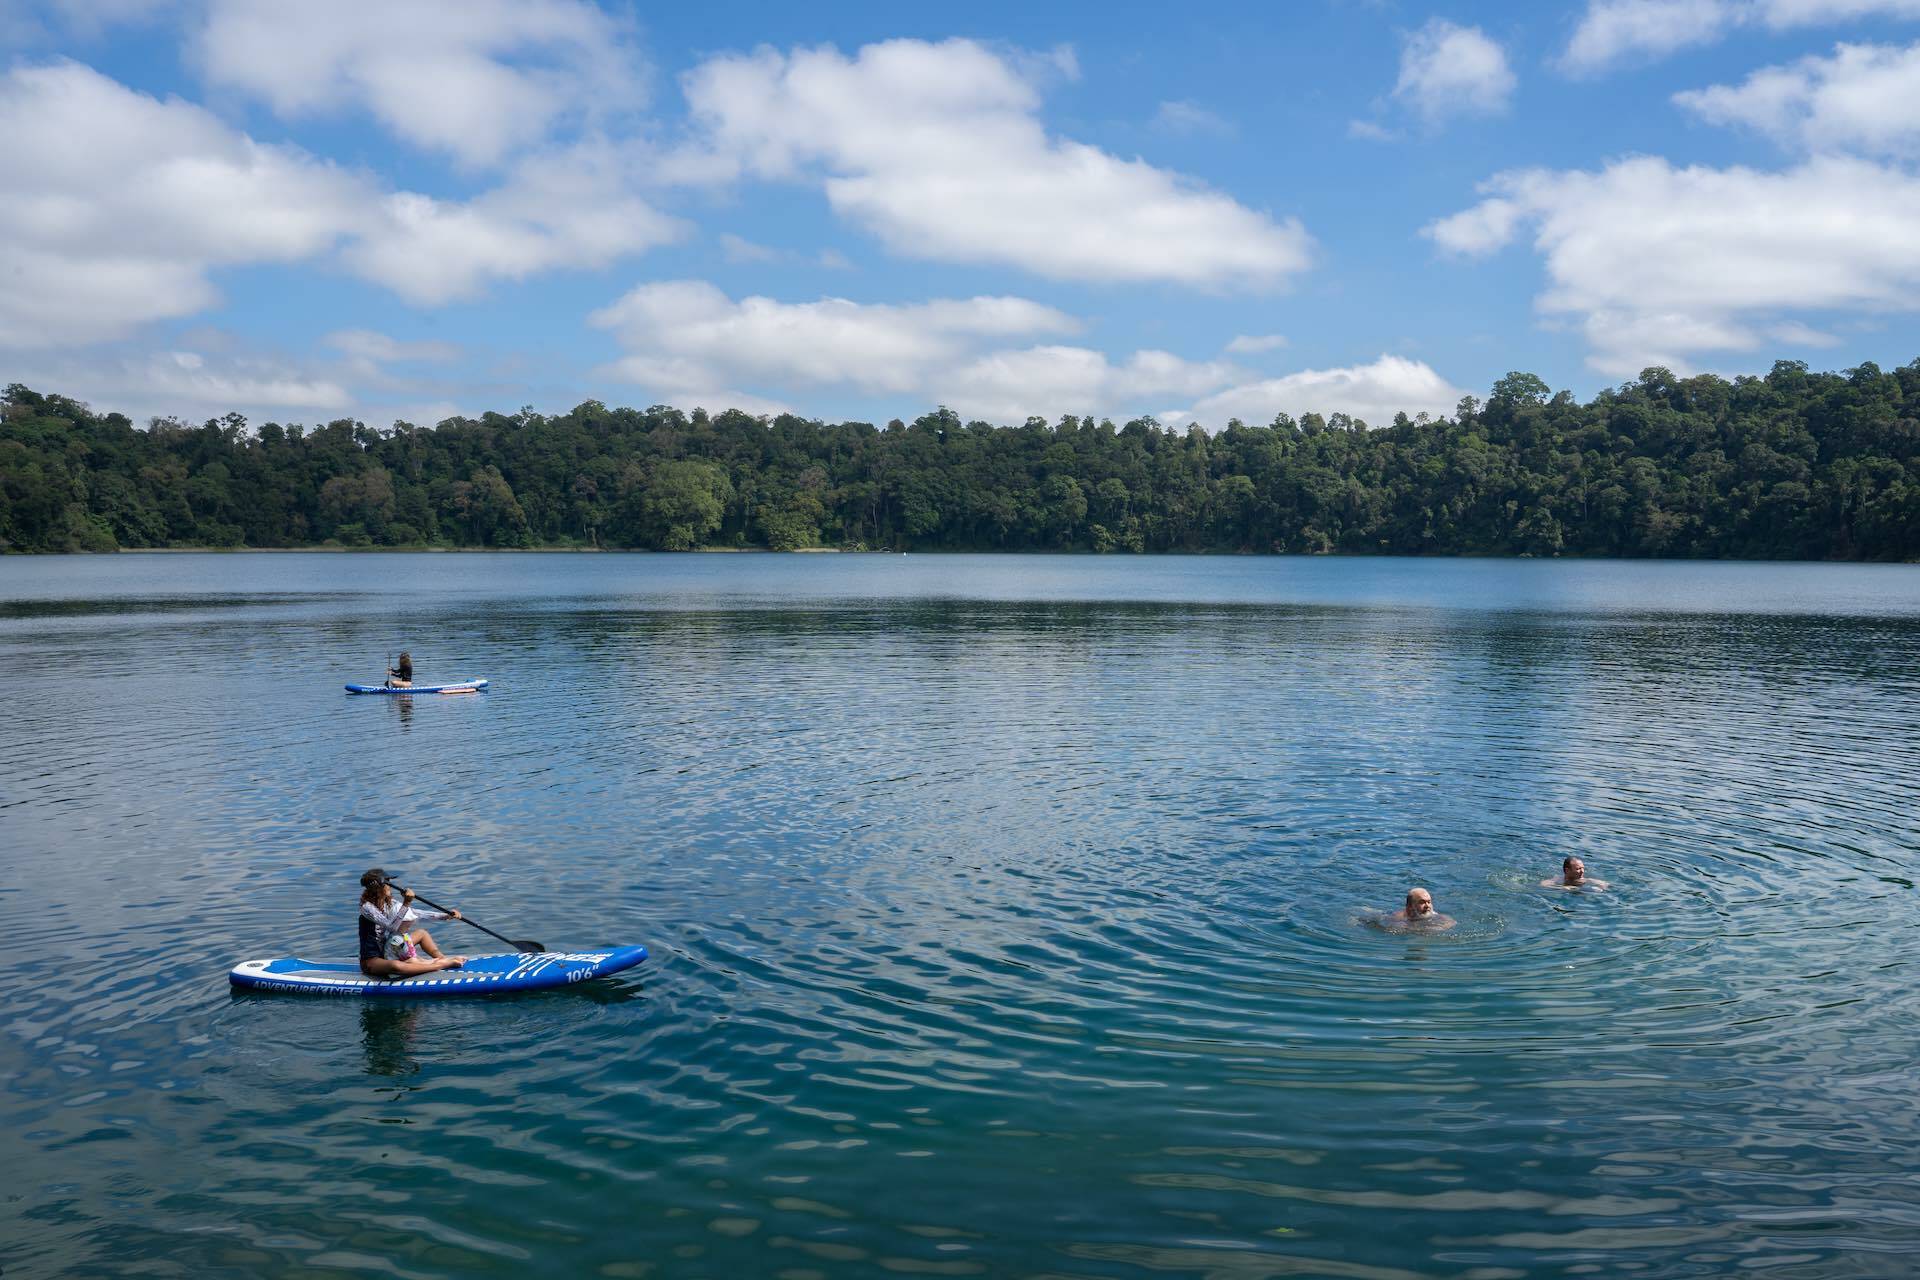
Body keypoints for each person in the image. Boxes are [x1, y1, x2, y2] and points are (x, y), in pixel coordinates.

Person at [359, 867, 464, 977]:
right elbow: (392, 927)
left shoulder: (389, 903)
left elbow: (415, 913)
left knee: (422, 933)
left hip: (390, 948)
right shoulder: (366, 907)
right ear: (377, 887)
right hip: (372, 959)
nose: (390, 886)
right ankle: (441, 965)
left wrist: (445, 916)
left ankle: (442, 958)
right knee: (396, 966)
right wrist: (406, 903)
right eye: (388, 882)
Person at [1377, 886, 1456, 931]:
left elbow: (1451, 923)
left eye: (1429, 902)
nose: (1427, 906)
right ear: (1410, 906)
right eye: (1422, 902)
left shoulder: (1439, 917)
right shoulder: (1397, 918)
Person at [1542, 856, 1609, 890]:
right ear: (1567, 870)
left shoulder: (1585, 880)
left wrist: (1574, 888)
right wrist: (1562, 888)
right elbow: (1543, 884)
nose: (1582, 871)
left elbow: (1605, 884)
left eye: (1583, 868)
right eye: (1578, 869)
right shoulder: (1559, 879)